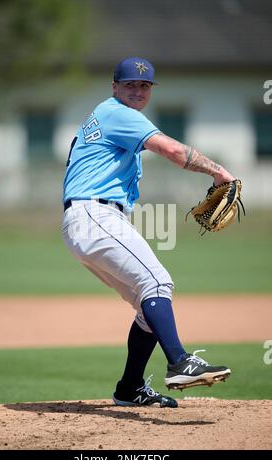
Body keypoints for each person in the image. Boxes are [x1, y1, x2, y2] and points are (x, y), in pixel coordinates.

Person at [62, 57, 233, 408]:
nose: (137, 91)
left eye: (144, 86)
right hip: (94, 214)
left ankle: (129, 388)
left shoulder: (108, 115)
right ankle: (180, 361)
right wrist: (219, 172)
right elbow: (171, 149)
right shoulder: (118, 114)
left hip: (91, 218)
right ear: (115, 87)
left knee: (148, 306)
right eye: (130, 84)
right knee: (157, 284)